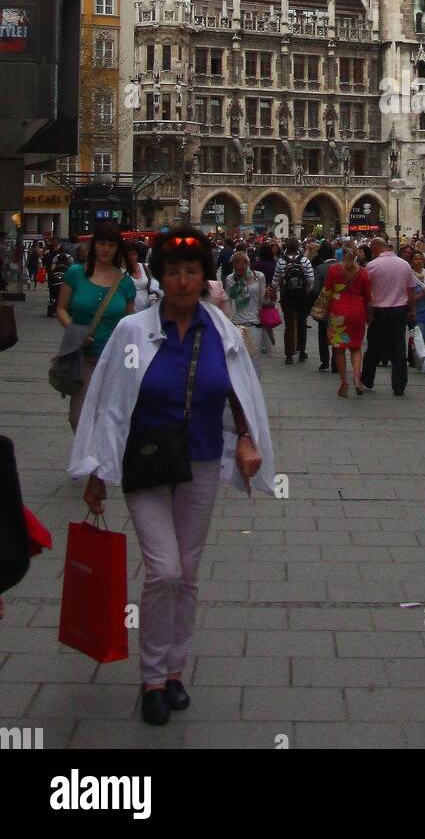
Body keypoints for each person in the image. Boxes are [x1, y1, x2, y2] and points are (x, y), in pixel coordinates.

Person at [69, 226, 274, 726]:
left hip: (200, 461)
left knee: (188, 573)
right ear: (160, 277)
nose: (183, 280)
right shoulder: (133, 331)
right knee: (164, 570)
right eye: (174, 271)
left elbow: (239, 391)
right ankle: (152, 676)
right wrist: (97, 469)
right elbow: (109, 402)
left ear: (205, 276)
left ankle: (174, 671)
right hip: (146, 463)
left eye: (192, 271)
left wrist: (247, 439)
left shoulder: (223, 331)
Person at [55, 224, 136, 431]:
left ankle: (100, 460)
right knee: (78, 417)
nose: (106, 249)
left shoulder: (125, 283)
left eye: (111, 245)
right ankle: (85, 457)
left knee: (108, 419)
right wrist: (75, 332)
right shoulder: (75, 274)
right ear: (94, 246)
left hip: (113, 359)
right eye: (102, 244)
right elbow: (61, 309)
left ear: (118, 248)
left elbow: (129, 323)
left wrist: (132, 362)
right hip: (82, 357)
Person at [361, 239, 417, 396]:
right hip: (399, 310)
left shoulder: (372, 266)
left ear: (376, 248)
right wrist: (412, 309)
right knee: (399, 347)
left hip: (378, 311)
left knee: (373, 347)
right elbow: (411, 289)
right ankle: (399, 386)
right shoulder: (404, 264)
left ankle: (367, 380)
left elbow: (366, 291)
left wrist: (368, 312)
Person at [323, 243, 372, 398]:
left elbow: (328, 290)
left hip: (338, 311)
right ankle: (357, 376)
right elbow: (368, 296)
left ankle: (344, 382)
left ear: (341, 253)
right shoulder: (363, 272)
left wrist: (325, 309)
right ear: (357, 254)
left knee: (339, 348)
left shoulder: (334, 270)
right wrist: (369, 313)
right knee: (356, 348)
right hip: (357, 311)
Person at [224, 250, 267, 376]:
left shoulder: (258, 276)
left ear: (248, 264)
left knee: (254, 360)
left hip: (254, 324)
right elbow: (228, 301)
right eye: (236, 264)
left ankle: (255, 390)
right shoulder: (230, 279)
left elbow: (263, 299)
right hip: (236, 325)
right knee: (238, 361)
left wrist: (271, 297)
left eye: (243, 264)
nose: (240, 267)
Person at [275, 239, 314, 366]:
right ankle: (302, 352)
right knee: (302, 324)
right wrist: (306, 289)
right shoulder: (305, 260)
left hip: (287, 297)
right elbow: (310, 279)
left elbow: (275, 281)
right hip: (302, 298)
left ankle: (289, 355)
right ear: (298, 247)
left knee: (289, 325)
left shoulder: (281, 262)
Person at [311, 243, 338, 373]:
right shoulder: (342, 266)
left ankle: (325, 361)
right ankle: (336, 361)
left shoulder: (320, 268)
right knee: (337, 332)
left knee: (323, 332)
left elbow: (315, 289)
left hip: (325, 305)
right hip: (339, 305)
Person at [125, 243, 162, 313]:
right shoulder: (122, 271)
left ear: (137, 255)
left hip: (147, 307)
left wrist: (153, 296)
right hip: (130, 309)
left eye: (134, 254)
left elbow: (154, 282)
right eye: (129, 255)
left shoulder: (145, 267)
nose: (132, 257)